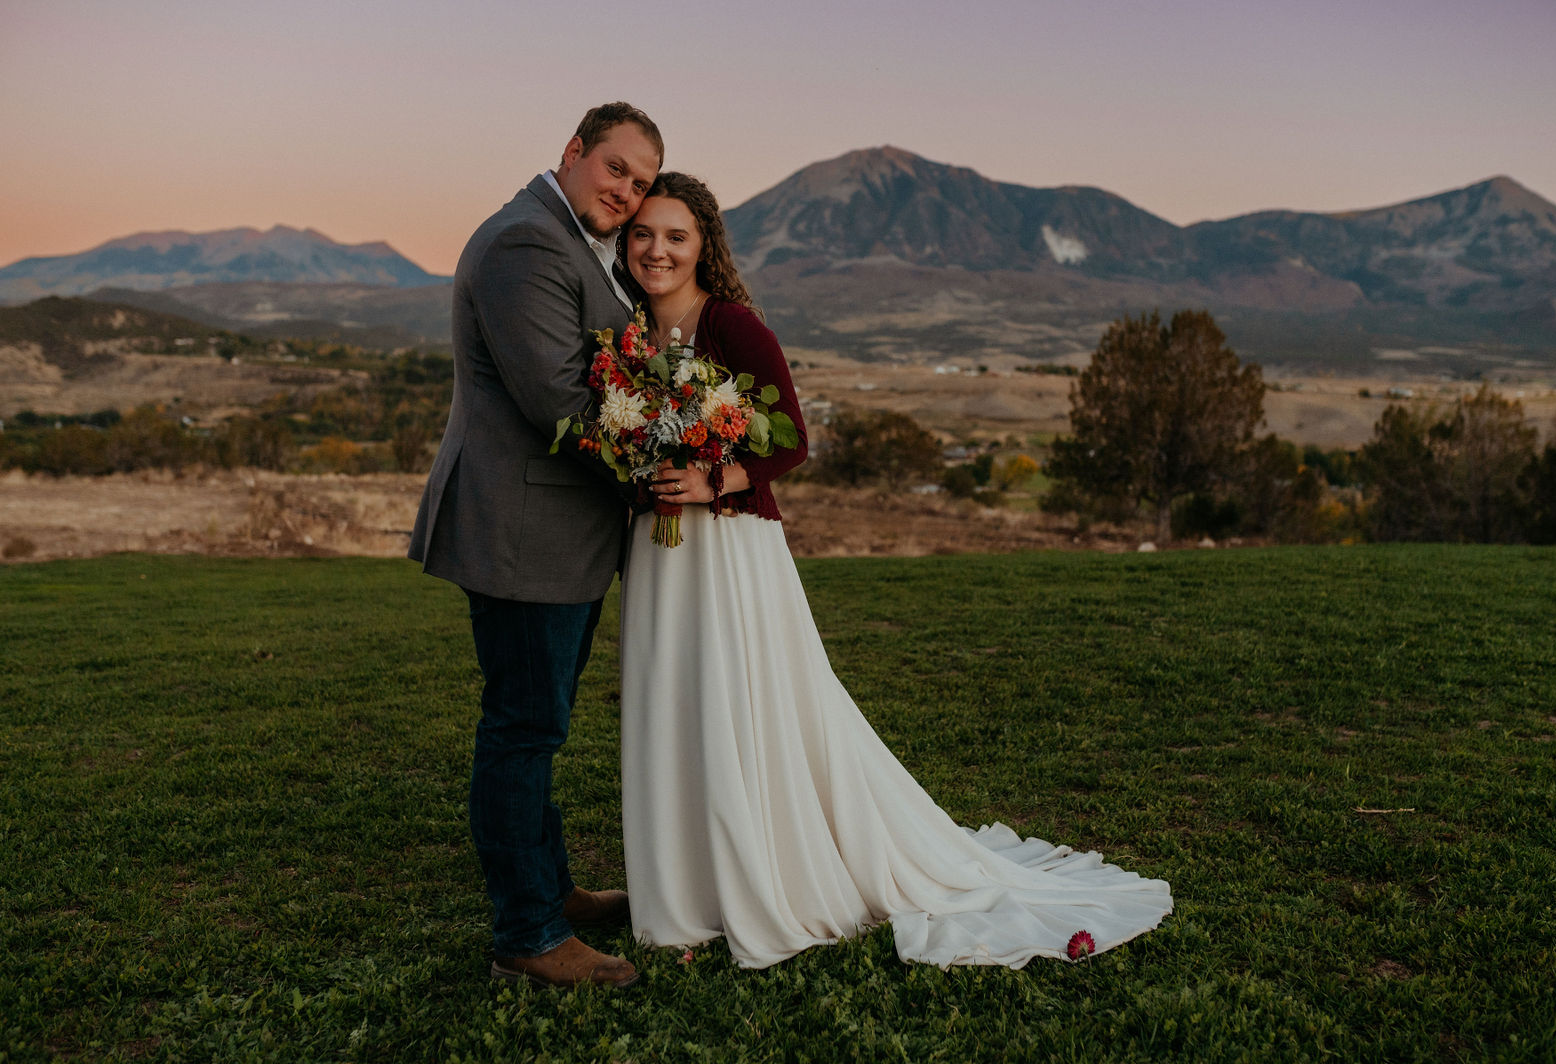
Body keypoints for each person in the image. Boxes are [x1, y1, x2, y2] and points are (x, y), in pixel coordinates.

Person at [618, 173, 1173, 969]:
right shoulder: (627, 336)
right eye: (643, 234)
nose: (657, 250)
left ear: (704, 244)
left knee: (741, 700)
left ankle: (767, 870)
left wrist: (714, 481)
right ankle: (685, 889)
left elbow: (792, 439)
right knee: (674, 702)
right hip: (657, 552)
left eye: (675, 236)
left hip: (729, 550)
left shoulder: (731, 325)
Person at [408, 102, 663, 989]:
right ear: (573, 151)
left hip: (557, 536)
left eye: (640, 182)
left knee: (538, 724)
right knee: (521, 729)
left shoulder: (564, 236)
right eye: (616, 169)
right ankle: (528, 934)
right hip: (523, 533)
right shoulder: (525, 242)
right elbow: (560, 400)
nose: (627, 193)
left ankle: (553, 891)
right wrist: (669, 461)